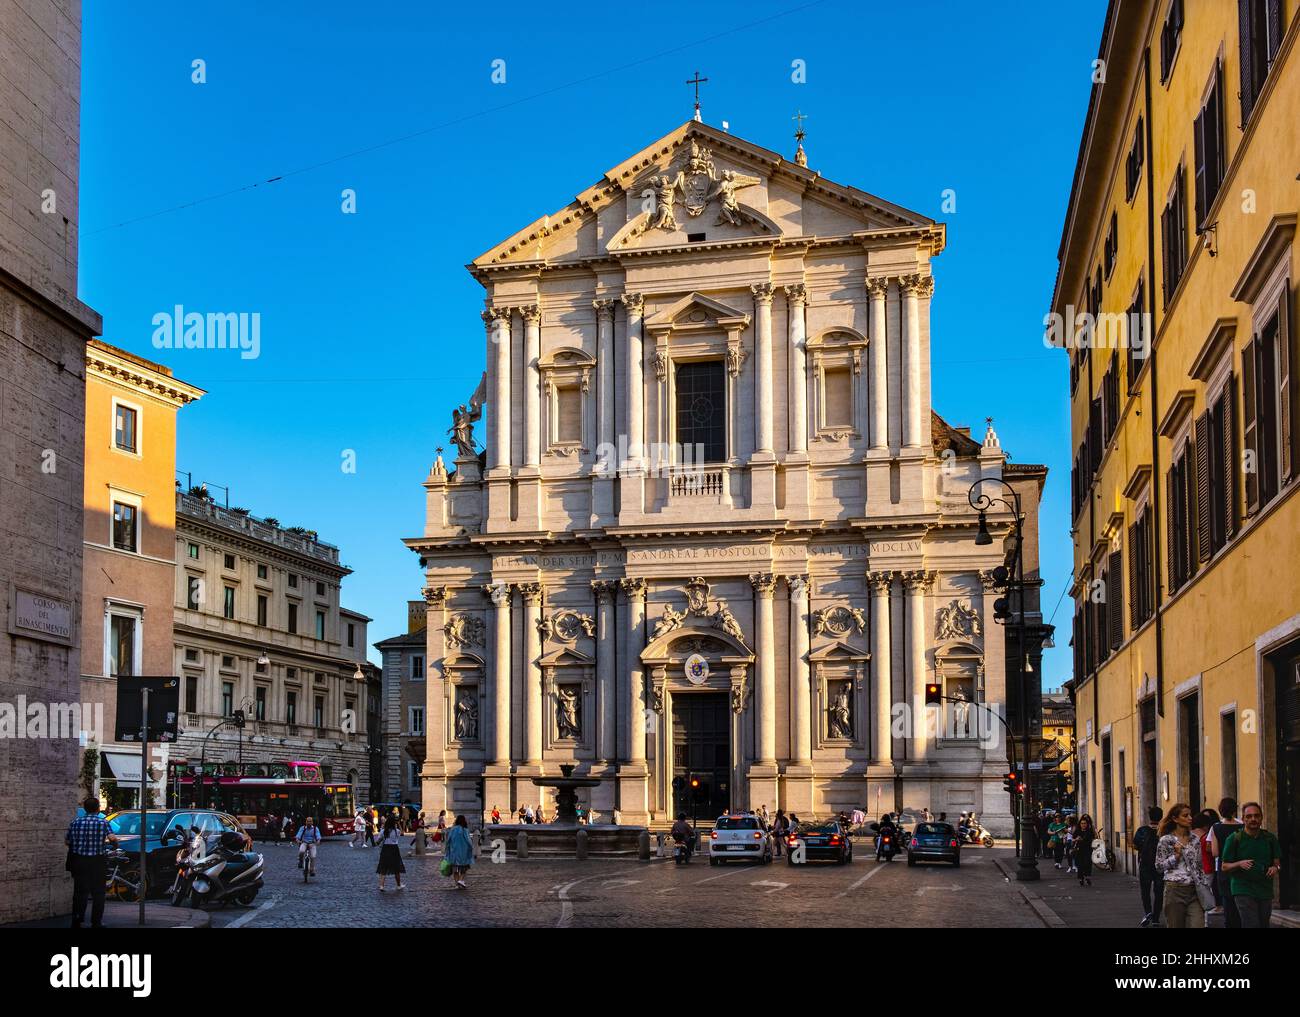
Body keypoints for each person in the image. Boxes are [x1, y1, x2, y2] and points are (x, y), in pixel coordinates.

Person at [1221, 802, 1281, 929]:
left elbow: (1277, 863)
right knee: (1251, 924)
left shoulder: (1270, 838)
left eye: (1256, 816)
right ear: (1243, 819)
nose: (1253, 819)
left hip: (1265, 888)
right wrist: (1239, 864)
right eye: (1249, 816)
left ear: (1261, 818)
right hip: (1242, 888)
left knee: (1264, 924)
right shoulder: (1234, 838)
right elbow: (1224, 866)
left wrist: (1275, 868)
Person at [66, 797, 117, 928]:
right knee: (98, 893)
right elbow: (112, 838)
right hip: (97, 862)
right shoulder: (103, 822)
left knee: (79, 892)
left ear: (85, 808)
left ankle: (77, 919)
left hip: (79, 861)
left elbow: (67, 841)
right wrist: (114, 845)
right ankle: (96, 921)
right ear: (97, 808)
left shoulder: (75, 822)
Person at [1156, 803, 1208, 929]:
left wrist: (1205, 884)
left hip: (1194, 889)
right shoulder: (1166, 840)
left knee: (1198, 924)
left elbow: (1199, 865)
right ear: (1175, 819)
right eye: (1185, 815)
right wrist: (1176, 857)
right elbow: (1159, 866)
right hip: (1174, 889)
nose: (1190, 818)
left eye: (1190, 815)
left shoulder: (1195, 839)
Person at [1210, 798, 1245, 928]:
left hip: (1224, 868)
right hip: (1240, 866)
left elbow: (1215, 852)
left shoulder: (1216, 827)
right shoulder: (1242, 826)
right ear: (1235, 809)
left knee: (1228, 902)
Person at [1133, 805, 1165, 927]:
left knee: (1145, 891)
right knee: (1159, 891)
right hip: (1160, 866)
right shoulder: (1163, 831)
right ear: (1161, 817)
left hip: (1145, 865)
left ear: (1149, 817)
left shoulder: (1142, 830)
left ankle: (1148, 912)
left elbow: (1135, 845)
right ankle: (1156, 917)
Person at [377, 814, 406, 891]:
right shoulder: (396, 831)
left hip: (385, 849)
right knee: (396, 868)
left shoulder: (383, 831)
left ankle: (381, 886)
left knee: (383, 867)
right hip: (394, 849)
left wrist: (380, 841)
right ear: (394, 823)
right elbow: (403, 833)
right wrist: (399, 823)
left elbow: (378, 841)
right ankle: (399, 885)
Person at [445, 814, 475, 889]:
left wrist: (447, 849)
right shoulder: (465, 830)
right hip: (463, 852)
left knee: (455, 869)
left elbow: (448, 841)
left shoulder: (452, 829)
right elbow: (468, 841)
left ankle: (457, 884)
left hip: (454, 851)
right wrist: (471, 848)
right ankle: (461, 880)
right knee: (464, 868)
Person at [1073, 814, 1097, 886]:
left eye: (1085, 823)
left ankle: (1087, 877)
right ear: (1080, 824)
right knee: (1080, 864)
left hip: (1088, 849)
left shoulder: (1089, 831)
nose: (1083, 825)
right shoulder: (1077, 831)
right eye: (1082, 823)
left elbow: (1095, 838)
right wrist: (1076, 839)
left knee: (1087, 863)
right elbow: (1073, 839)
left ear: (1087, 824)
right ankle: (1081, 878)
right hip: (1079, 849)